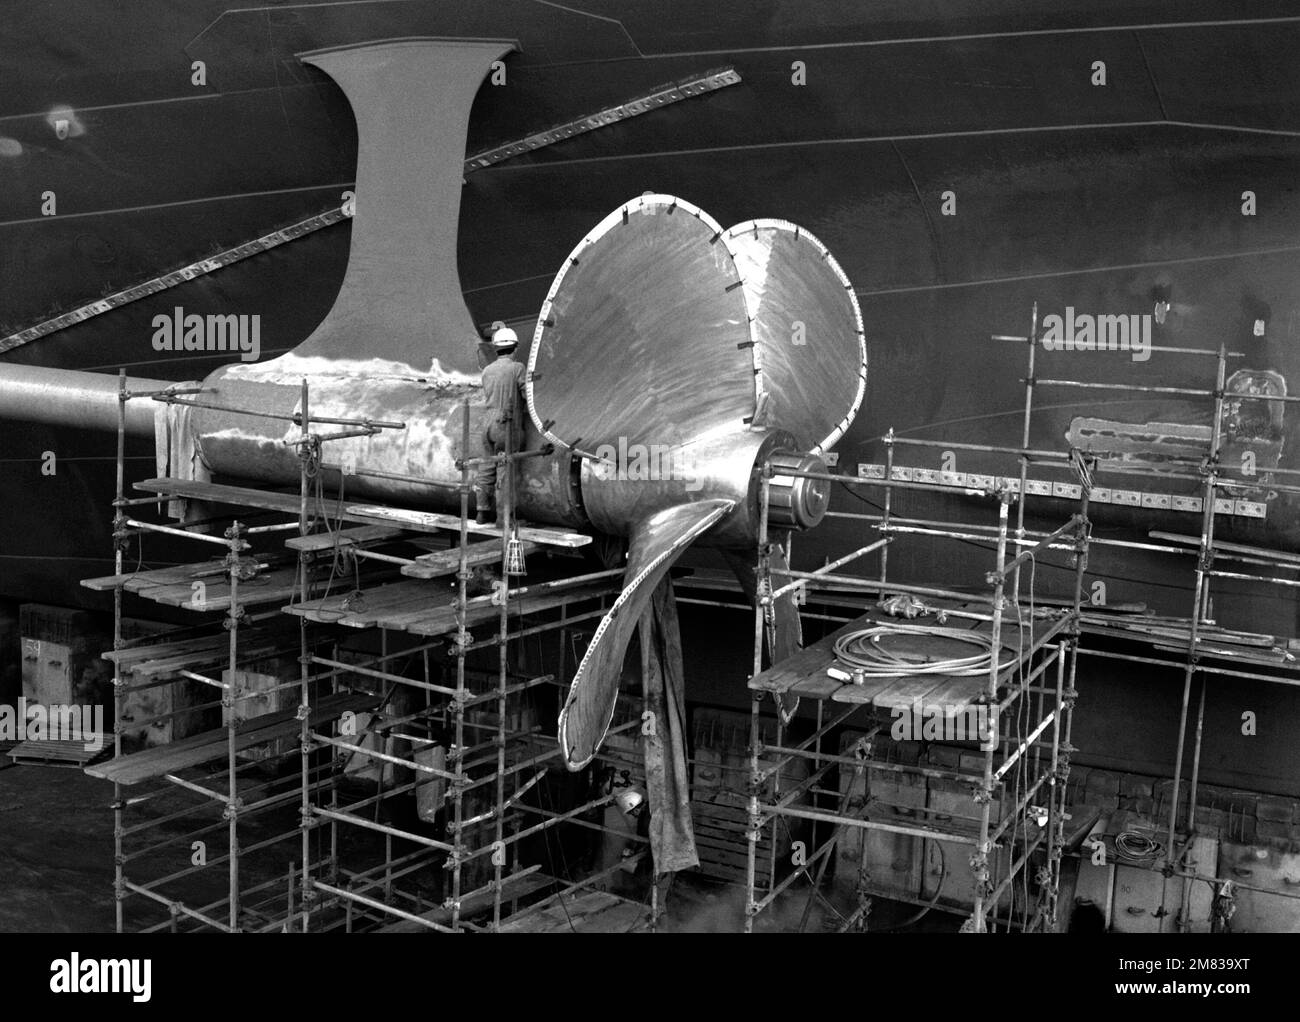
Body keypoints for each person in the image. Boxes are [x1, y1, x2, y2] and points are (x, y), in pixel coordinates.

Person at [474, 325, 526, 524]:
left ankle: (481, 511)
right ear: (515, 347)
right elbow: (524, 393)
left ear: (496, 349)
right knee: (506, 468)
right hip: (506, 423)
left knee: (487, 466)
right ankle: (504, 517)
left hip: (487, 421)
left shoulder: (487, 370)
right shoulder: (517, 368)